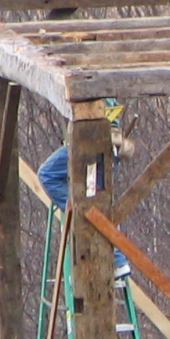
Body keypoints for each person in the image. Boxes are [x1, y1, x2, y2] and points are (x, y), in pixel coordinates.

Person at [38, 100, 134, 277]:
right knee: (99, 204)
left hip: (93, 139)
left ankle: (117, 258)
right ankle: (118, 259)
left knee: (48, 174)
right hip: (102, 141)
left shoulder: (94, 88)